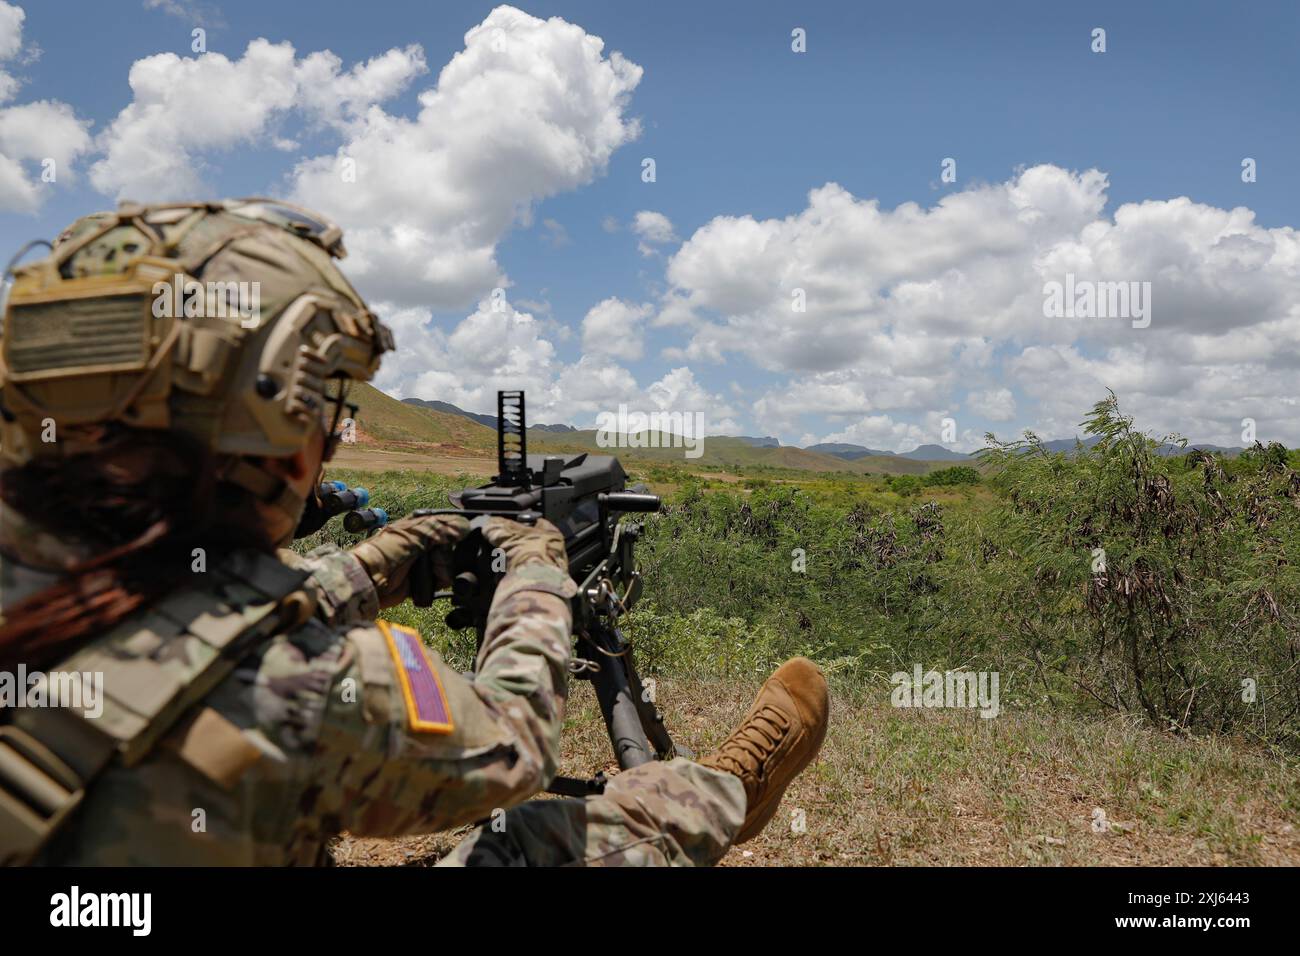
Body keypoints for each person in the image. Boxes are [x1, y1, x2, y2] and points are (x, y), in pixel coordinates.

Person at [0, 199, 828, 866]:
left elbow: (187, 639)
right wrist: (537, 574)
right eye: (329, 403)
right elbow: (512, 747)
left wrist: (378, 564)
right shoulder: (306, 692)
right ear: (268, 414)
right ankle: (720, 790)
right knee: (538, 840)